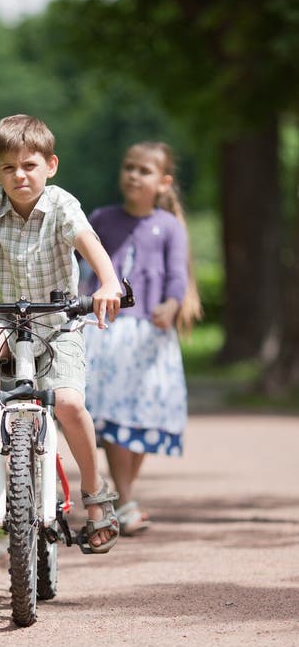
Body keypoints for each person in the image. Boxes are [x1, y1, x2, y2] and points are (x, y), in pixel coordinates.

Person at [0, 114, 125, 552]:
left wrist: (108, 283)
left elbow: (90, 243)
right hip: (7, 319)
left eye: (30, 165)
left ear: (50, 165)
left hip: (58, 323)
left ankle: (95, 496)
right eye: (9, 167)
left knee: (70, 404)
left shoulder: (61, 205)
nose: (20, 175)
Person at [83, 141, 203, 535]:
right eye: (129, 167)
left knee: (141, 420)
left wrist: (171, 305)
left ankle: (123, 495)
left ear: (164, 183)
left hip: (151, 337)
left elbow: (177, 276)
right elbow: (83, 270)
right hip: (109, 331)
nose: (134, 175)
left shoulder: (169, 227)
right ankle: (128, 499)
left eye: (144, 170)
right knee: (117, 416)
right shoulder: (101, 218)